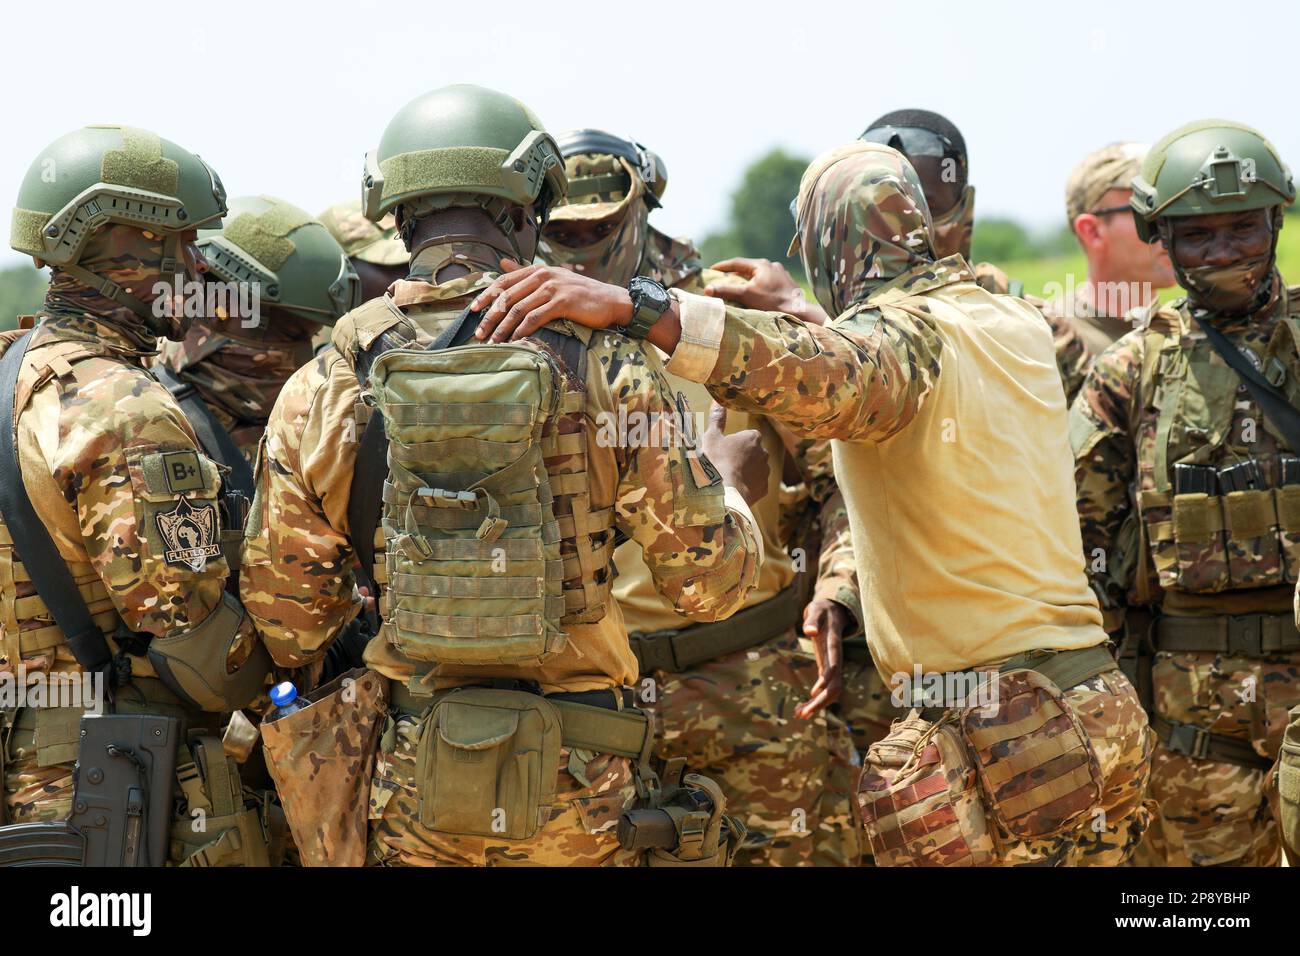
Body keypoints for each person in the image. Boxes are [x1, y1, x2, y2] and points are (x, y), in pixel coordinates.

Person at [471, 138, 1155, 866]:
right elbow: (881, 363)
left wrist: (634, 308)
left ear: (833, 248)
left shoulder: (902, 341)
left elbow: (826, 371)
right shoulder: (1008, 322)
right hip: (1090, 702)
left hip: (1004, 726)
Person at [240, 85, 765, 867]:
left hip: (415, 780)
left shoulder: (331, 376)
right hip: (584, 784)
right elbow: (709, 588)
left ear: (402, 220)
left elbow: (288, 623)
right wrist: (726, 489)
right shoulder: (608, 360)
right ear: (525, 215)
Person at [540, 130, 861, 865]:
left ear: (645, 211)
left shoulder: (723, 319)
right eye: (563, 232)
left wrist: (839, 589)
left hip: (749, 683)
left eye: (600, 228)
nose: (580, 249)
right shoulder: (521, 336)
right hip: (595, 701)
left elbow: (837, 477)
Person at [0, 126, 273, 865]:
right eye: (181, 247)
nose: (197, 268)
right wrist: (306, 645)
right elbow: (196, 647)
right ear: (120, 247)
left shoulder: (14, 376)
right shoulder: (124, 408)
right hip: (106, 786)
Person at [1071, 119, 1300, 867]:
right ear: (1161, 236)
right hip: (1193, 717)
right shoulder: (1129, 371)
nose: (1225, 250)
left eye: (1243, 227)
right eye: (1199, 235)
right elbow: (1087, 543)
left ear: (1276, 219)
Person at [1045, 143, 1176, 402]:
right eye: (1147, 211)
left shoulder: (1187, 333)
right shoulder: (1047, 343)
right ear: (1092, 231)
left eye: (1173, 208)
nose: (1171, 227)